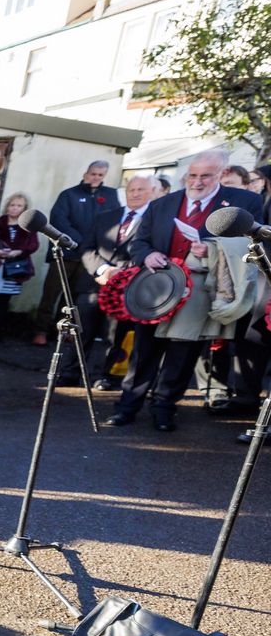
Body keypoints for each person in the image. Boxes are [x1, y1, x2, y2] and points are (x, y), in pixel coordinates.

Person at [107, 150, 264, 431]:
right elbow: (139, 242)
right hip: (158, 287)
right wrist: (148, 256)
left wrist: (213, 250)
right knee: (144, 350)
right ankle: (127, 406)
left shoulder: (245, 202)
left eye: (206, 175)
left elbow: (254, 244)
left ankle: (164, 407)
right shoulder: (163, 204)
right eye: (193, 175)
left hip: (201, 290)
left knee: (183, 353)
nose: (198, 181)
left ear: (221, 174)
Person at [79, 174, 154, 390]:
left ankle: (105, 376)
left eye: (141, 190)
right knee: (82, 332)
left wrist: (119, 274)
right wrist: (103, 270)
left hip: (125, 289)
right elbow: (87, 248)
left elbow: (148, 250)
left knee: (113, 336)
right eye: (131, 189)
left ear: (151, 193)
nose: (135, 194)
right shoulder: (105, 216)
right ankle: (71, 372)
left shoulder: (152, 220)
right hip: (93, 284)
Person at [34, 161, 120, 346]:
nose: (96, 177)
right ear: (85, 173)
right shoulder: (69, 195)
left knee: (73, 297)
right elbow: (59, 220)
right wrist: (79, 243)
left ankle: (63, 331)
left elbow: (114, 221)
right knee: (52, 293)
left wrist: (96, 247)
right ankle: (41, 330)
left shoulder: (111, 196)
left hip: (91, 258)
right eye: (93, 173)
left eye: (100, 175)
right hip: (66, 254)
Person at [0, 194, 39, 341]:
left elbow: (33, 245)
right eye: (12, 205)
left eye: (19, 206)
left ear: (25, 208)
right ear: (7, 206)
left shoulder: (28, 227)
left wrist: (20, 252)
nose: (15, 208)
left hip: (14, 268)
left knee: (4, 301)